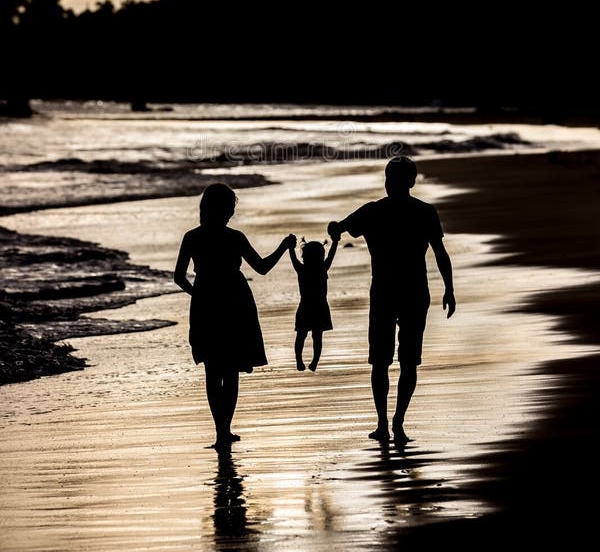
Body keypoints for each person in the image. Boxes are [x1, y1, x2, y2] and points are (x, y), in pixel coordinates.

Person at [328, 156, 456, 446]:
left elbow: (340, 227)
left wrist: (334, 229)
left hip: (386, 292)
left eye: (391, 179)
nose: (389, 185)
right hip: (413, 291)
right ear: (411, 182)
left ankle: (385, 423)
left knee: (381, 361)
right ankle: (395, 421)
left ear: (399, 182)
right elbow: (440, 252)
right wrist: (449, 289)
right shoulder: (424, 211)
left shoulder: (373, 211)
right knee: (407, 361)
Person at [174, 182, 295, 450]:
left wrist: (198, 294)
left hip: (206, 303)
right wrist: (284, 247)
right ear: (226, 210)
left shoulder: (192, 237)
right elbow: (262, 268)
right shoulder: (234, 237)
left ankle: (221, 431)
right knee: (230, 370)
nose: (230, 213)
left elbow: (178, 277)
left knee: (212, 368)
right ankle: (224, 430)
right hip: (235, 300)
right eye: (230, 208)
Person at [289, 229, 339, 372]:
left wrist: (290, 248)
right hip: (318, 307)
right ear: (321, 256)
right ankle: (312, 360)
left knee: (302, 335)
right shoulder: (322, 268)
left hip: (306, 306)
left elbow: (293, 258)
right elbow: (332, 255)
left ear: (304, 256)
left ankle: (301, 359)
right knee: (316, 336)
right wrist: (335, 241)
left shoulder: (303, 269)